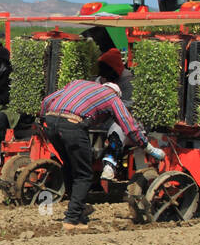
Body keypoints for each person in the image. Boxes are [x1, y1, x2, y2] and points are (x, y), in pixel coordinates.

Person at [39, 79, 165, 231]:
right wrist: (148, 147)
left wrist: (43, 119)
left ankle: (77, 208)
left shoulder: (78, 84)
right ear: (117, 94)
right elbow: (128, 125)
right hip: (72, 125)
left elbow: (47, 100)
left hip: (51, 122)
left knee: (70, 166)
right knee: (84, 174)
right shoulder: (112, 98)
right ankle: (72, 220)